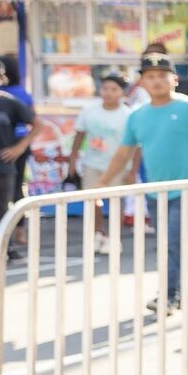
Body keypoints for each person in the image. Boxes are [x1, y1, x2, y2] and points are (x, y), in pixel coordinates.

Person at [97, 53, 188, 313]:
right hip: (156, 192)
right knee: (168, 242)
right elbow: (124, 152)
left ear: (174, 79)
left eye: (162, 76)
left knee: (173, 241)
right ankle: (178, 291)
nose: (156, 81)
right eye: (150, 77)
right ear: (142, 82)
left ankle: (169, 295)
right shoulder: (137, 115)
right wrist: (103, 182)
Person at [71, 72, 135, 254]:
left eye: (114, 89)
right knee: (93, 200)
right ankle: (97, 233)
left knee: (115, 201)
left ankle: (114, 238)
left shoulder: (128, 115)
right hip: (92, 164)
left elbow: (135, 146)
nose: (108, 92)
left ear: (122, 92)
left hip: (118, 166)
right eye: (105, 88)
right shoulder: (90, 110)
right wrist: (72, 160)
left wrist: (133, 170)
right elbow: (79, 135)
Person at [0, 58, 38, 263]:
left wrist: (19, 148)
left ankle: (7, 248)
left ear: (1, 78)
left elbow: (37, 124)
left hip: (3, 166)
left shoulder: (9, 103)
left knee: (2, 209)